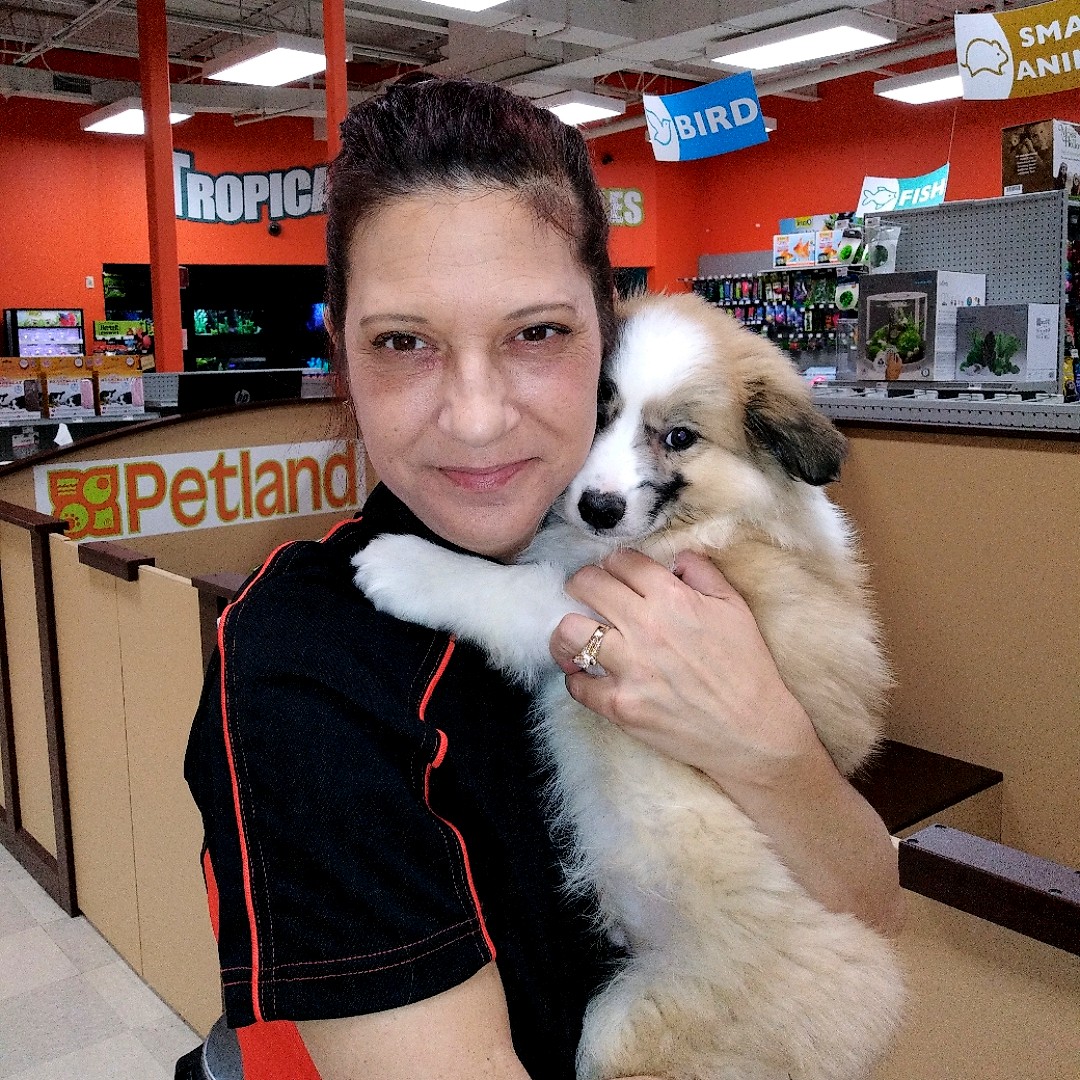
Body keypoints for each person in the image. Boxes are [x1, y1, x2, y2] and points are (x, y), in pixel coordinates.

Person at [184, 74, 901, 1080]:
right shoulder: (304, 662)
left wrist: (773, 751)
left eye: (536, 333)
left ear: (606, 332)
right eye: (403, 342)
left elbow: (869, 902)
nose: (476, 418)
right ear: (339, 350)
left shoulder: (718, 567)